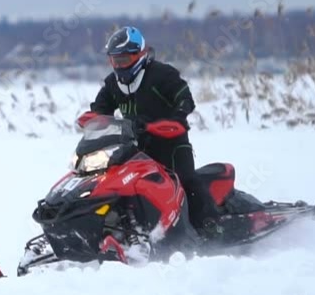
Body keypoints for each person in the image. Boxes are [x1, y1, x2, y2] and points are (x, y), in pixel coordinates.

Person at [77, 26, 220, 236]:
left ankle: (210, 227)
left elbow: (184, 98)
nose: (119, 65)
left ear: (140, 54)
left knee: (185, 180)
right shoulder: (113, 83)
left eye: (124, 60)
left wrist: (177, 117)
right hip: (135, 145)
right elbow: (101, 107)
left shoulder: (162, 75)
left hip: (170, 142)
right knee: (113, 181)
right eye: (114, 60)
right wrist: (95, 119)